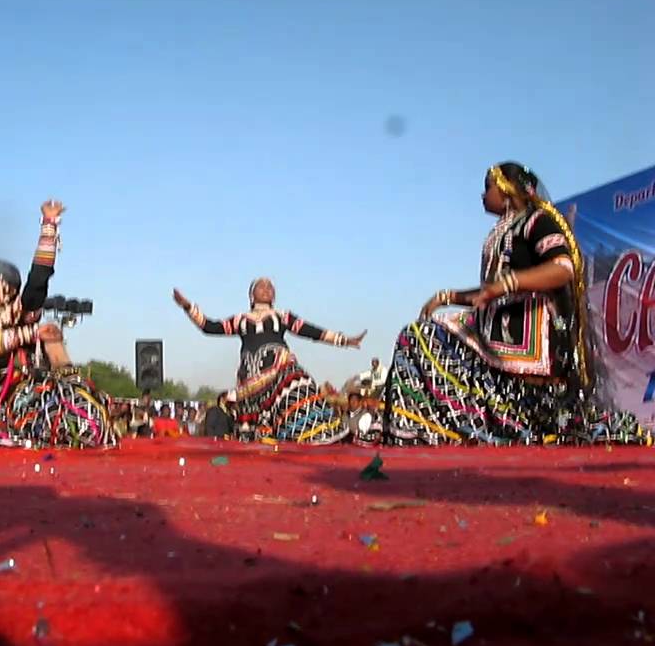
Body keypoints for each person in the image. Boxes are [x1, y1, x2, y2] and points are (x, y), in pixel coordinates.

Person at [386, 161, 640, 445]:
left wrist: (506, 285)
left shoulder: (537, 221)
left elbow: (562, 268)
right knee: (417, 336)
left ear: (506, 190)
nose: (482, 195)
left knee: (416, 337)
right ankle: (430, 429)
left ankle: (426, 430)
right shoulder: (504, 229)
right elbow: (488, 291)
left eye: (487, 187)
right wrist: (447, 297)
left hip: (524, 330)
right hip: (495, 323)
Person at [0, 199, 115, 449]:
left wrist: (49, 225)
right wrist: (33, 332)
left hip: (24, 408)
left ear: (8, 291)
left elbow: (37, 282)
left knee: (77, 413)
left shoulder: (19, 316)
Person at [173, 278, 366, 444]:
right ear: (251, 295)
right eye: (261, 286)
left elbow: (312, 332)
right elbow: (209, 327)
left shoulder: (282, 316)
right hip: (250, 382)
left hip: (280, 369)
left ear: (274, 296)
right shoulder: (240, 320)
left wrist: (344, 340)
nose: (266, 288)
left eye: (270, 286)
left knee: (299, 382)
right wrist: (188, 307)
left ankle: (308, 435)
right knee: (251, 426)